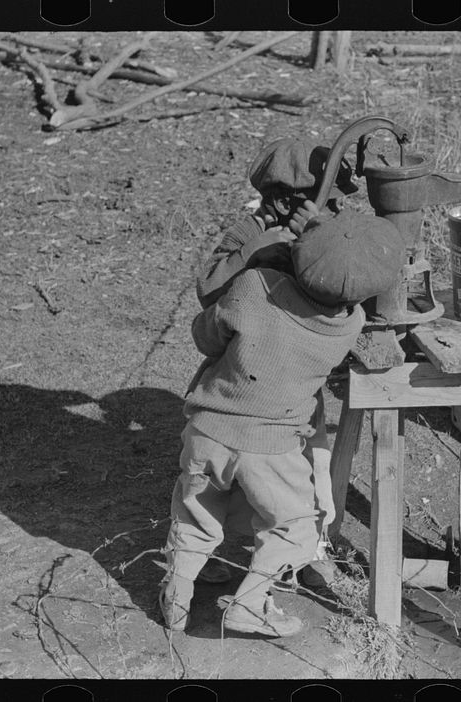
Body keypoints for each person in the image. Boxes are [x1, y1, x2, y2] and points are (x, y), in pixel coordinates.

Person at [160, 208, 405, 637]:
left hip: (206, 431)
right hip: (269, 448)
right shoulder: (349, 325)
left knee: (195, 512)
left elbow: (205, 336)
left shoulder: (253, 287)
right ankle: (249, 605)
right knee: (295, 526)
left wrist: (286, 242)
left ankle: (176, 598)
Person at [189, 138, 359, 590]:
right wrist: (258, 250)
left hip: (296, 389)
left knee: (311, 467)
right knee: (221, 481)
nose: (339, 204)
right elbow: (209, 290)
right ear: (282, 198)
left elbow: (359, 275)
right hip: (240, 382)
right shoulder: (252, 229)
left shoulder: (333, 225)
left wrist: (319, 235)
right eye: (326, 197)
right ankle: (223, 557)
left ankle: (306, 551)